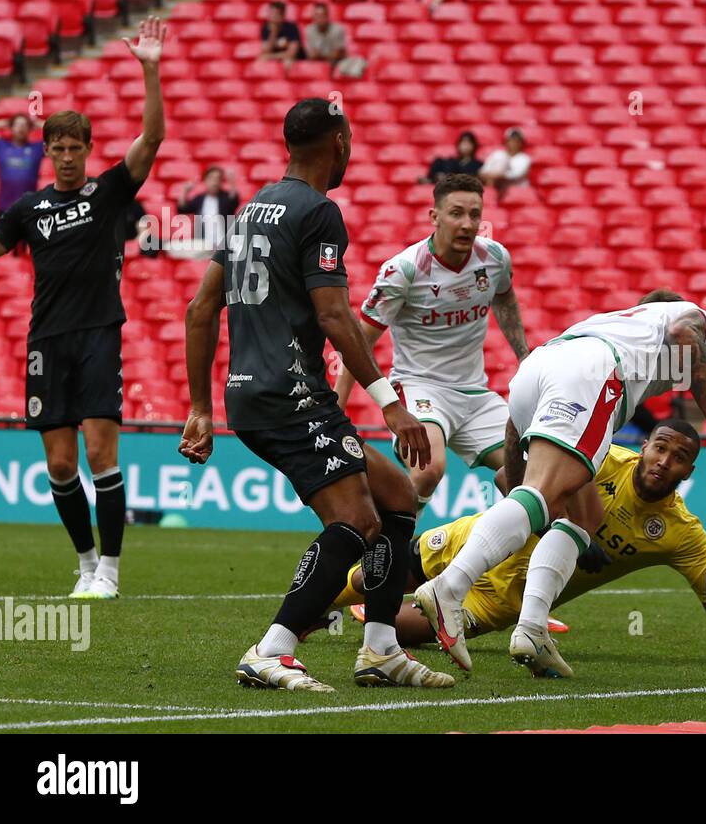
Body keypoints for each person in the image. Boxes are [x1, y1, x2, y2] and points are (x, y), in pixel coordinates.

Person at [179, 97, 451, 692]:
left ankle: (380, 649)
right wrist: (388, 400)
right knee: (355, 520)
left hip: (251, 395)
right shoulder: (319, 212)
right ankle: (271, 650)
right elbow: (332, 315)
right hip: (291, 394)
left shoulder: (249, 210)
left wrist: (200, 406)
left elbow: (201, 309)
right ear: (341, 142)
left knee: (397, 498)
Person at [414, 288, 706, 677]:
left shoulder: (618, 326)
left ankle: (531, 629)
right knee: (545, 493)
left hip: (540, 367)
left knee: (584, 516)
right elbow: (684, 331)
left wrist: (515, 481)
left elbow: (515, 426)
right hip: (591, 375)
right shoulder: (687, 317)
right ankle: (451, 587)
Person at [0, 17, 167, 600]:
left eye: (75, 149)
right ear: (47, 151)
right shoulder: (28, 210)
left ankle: (111, 572)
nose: (67, 158)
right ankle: (86, 564)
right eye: (58, 149)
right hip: (46, 340)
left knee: (98, 451)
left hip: (97, 332)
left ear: (89, 151)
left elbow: (152, 140)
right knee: (61, 465)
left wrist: (150, 68)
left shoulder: (108, 192)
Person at [327, 428, 706, 669]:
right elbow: (508, 478)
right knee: (368, 576)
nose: (665, 460)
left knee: (399, 629)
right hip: (480, 542)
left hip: (503, 600)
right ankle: (311, 614)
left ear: (690, 472)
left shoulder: (681, 533)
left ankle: (367, 612)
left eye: (679, 457)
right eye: (661, 448)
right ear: (645, 445)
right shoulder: (600, 459)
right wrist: (566, 530)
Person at [334, 173, 529, 515]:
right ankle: (387, 549)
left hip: (475, 395)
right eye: (456, 213)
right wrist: (337, 406)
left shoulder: (494, 258)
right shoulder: (404, 271)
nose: (467, 224)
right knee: (429, 469)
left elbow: (505, 297)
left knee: (528, 472)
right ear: (434, 217)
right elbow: (357, 341)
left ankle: (520, 554)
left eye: (474, 214)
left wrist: (523, 354)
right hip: (419, 387)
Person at [0, 114, 45, 217]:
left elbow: (59, 134)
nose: (21, 128)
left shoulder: (37, 148)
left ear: (30, 129)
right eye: (17, 125)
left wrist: (38, 123)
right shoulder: (0, 146)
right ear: (11, 128)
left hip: (30, 208)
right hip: (4, 208)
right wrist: (3, 123)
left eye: (24, 125)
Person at [177, 166, 240, 250]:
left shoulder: (225, 198)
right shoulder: (200, 199)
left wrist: (232, 182)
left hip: (223, 245)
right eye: (211, 178)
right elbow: (182, 209)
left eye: (218, 179)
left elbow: (234, 201)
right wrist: (185, 191)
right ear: (205, 180)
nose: (215, 182)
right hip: (202, 244)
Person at [304, 3, 366, 78]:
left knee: (357, 63)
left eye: (322, 15)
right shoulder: (309, 30)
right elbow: (311, 55)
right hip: (318, 66)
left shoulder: (337, 29)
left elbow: (338, 54)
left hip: (338, 63)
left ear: (327, 16)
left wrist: (320, 55)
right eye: (316, 15)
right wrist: (327, 55)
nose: (319, 18)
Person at [479, 127, 530, 199]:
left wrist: (499, 175)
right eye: (511, 140)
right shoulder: (497, 154)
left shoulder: (524, 158)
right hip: (497, 189)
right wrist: (491, 176)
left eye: (516, 141)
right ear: (506, 141)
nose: (513, 143)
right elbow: (483, 170)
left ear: (521, 143)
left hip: (517, 192)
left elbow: (516, 175)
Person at [417, 131, 481, 185]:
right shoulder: (452, 161)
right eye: (463, 142)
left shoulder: (478, 164)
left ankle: (444, 179)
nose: (465, 145)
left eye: (468, 142)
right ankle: (431, 180)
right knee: (439, 160)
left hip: (460, 183)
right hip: (446, 179)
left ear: (474, 145)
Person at [259, 1, 303, 67]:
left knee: (287, 63)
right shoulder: (265, 28)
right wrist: (273, 33)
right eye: (270, 13)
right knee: (260, 61)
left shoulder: (292, 27)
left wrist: (271, 57)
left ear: (283, 16)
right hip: (278, 57)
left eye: (275, 14)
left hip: (293, 58)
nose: (272, 17)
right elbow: (266, 51)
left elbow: (292, 53)